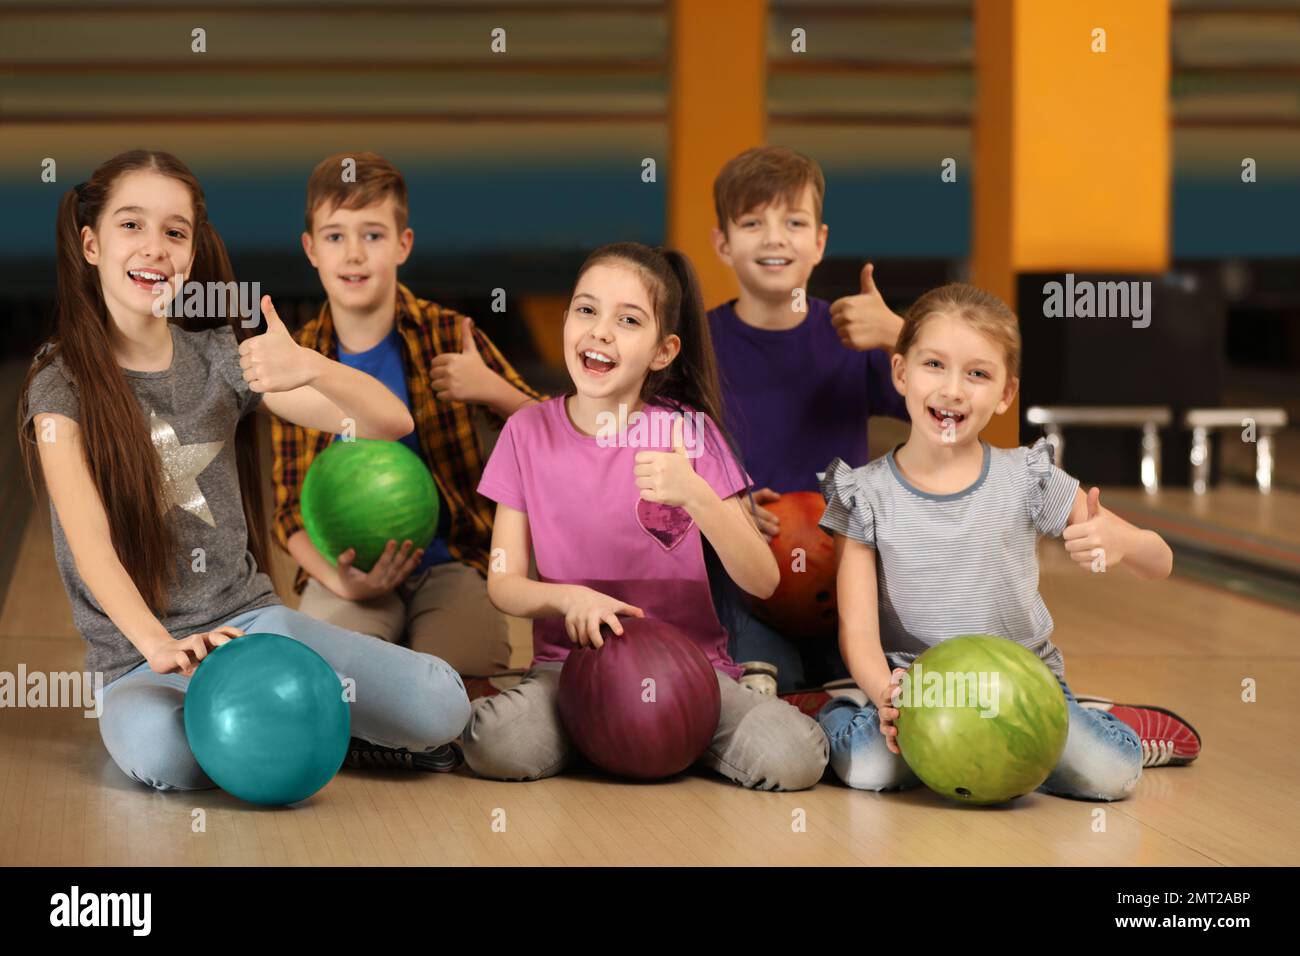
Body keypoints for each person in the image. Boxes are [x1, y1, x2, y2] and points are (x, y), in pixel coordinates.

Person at [17, 150, 470, 790]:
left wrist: (313, 366)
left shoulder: (222, 360)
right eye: (131, 226)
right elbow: (88, 541)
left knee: (441, 708)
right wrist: (159, 646)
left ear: (194, 253)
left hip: (256, 627)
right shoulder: (59, 383)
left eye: (175, 232)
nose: (155, 248)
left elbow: (387, 424)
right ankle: (316, 729)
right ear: (91, 244)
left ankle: (304, 725)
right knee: (171, 756)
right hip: (140, 660)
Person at [463, 242, 829, 790]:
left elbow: (764, 577)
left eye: (628, 320)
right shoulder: (525, 433)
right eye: (586, 310)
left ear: (663, 351)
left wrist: (698, 495)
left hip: (692, 671)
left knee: (794, 758)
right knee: (495, 744)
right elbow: (503, 582)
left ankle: (671, 719)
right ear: (566, 320)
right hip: (570, 668)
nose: (601, 331)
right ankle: (614, 734)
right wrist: (569, 598)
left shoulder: (690, 434)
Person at [816, 283, 1200, 801]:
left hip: (1025, 685)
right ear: (901, 372)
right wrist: (885, 693)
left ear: (1005, 395)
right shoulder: (864, 493)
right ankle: (840, 705)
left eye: (977, 374)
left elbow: (1161, 561)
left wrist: (1123, 541)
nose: (953, 390)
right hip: (919, 686)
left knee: (1110, 773)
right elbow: (857, 632)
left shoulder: (1027, 478)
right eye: (934, 365)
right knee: (866, 768)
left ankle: (1101, 719)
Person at [273, 152, 545, 687]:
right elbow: (288, 509)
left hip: (448, 562)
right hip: (347, 567)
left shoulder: (449, 336)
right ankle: (376, 637)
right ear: (310, 250)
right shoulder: (300, 356)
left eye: (372, 235)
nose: (353, 254)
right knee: (332, 687)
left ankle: (411, 648)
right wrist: (343, 584)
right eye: (334, 237)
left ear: (403, 244)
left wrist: (491, 389)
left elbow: (555, 431)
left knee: (458, 683)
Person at [705, 145, 909, 692]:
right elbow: (658, 455)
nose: (775, 238)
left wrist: (901, 336)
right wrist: (722, 502)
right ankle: (756, 675)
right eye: (753, 223)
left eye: (793, 222)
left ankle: (843, 688)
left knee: (856, 681)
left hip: (843, 570)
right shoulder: (697, 346)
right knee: (772, 679)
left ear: (819, 242)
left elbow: (949, 412)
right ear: (722, 243)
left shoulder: (857, 335)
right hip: (743, 570)